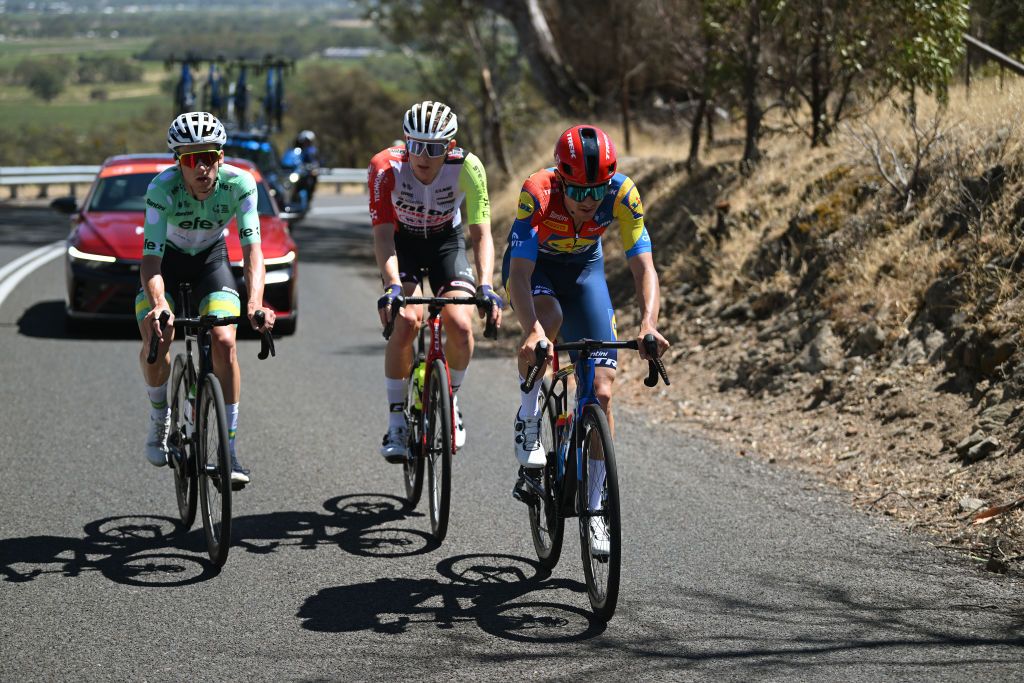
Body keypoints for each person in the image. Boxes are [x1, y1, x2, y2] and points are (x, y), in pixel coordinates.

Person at [502, 124, 669, 553]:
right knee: (549, 319)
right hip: (535, 270)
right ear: (561, 179)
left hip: (583, 272)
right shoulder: (538, 191)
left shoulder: (622, 193)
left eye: (595, 191)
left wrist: (648, 323)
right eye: (577, 190)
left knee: (602, 391)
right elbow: (519, 272)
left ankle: (596, 510)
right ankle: (528, 418)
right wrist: (532, 330)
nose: (587, 200)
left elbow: (644, 266)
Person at [138, 111, 276, 485]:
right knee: (158, 336)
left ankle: (229, 450)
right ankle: (160, 418)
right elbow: (150, 260)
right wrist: (159, 305)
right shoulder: (161, 189)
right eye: (190, 159)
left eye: (209, 157)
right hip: (166, 264)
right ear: (177, 162)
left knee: (224, 341)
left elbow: (253, 250)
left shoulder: (240, 184)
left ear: (221, 157)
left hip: (211, 260)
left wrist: (255, 302)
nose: (201, 168)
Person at [368, 100, 503, 462]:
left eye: (434, 148)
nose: (423, 157)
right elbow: (382, 235)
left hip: (446, 243)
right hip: (403, 245)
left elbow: (481, 234)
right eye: (416, 145)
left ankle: (451, 399)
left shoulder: (468, 167)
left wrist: (486, 286)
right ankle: (396, 420)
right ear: (405, 141)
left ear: (451, 147)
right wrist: (392, 286)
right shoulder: (385, 167)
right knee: (407, 320)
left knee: (461, 325)